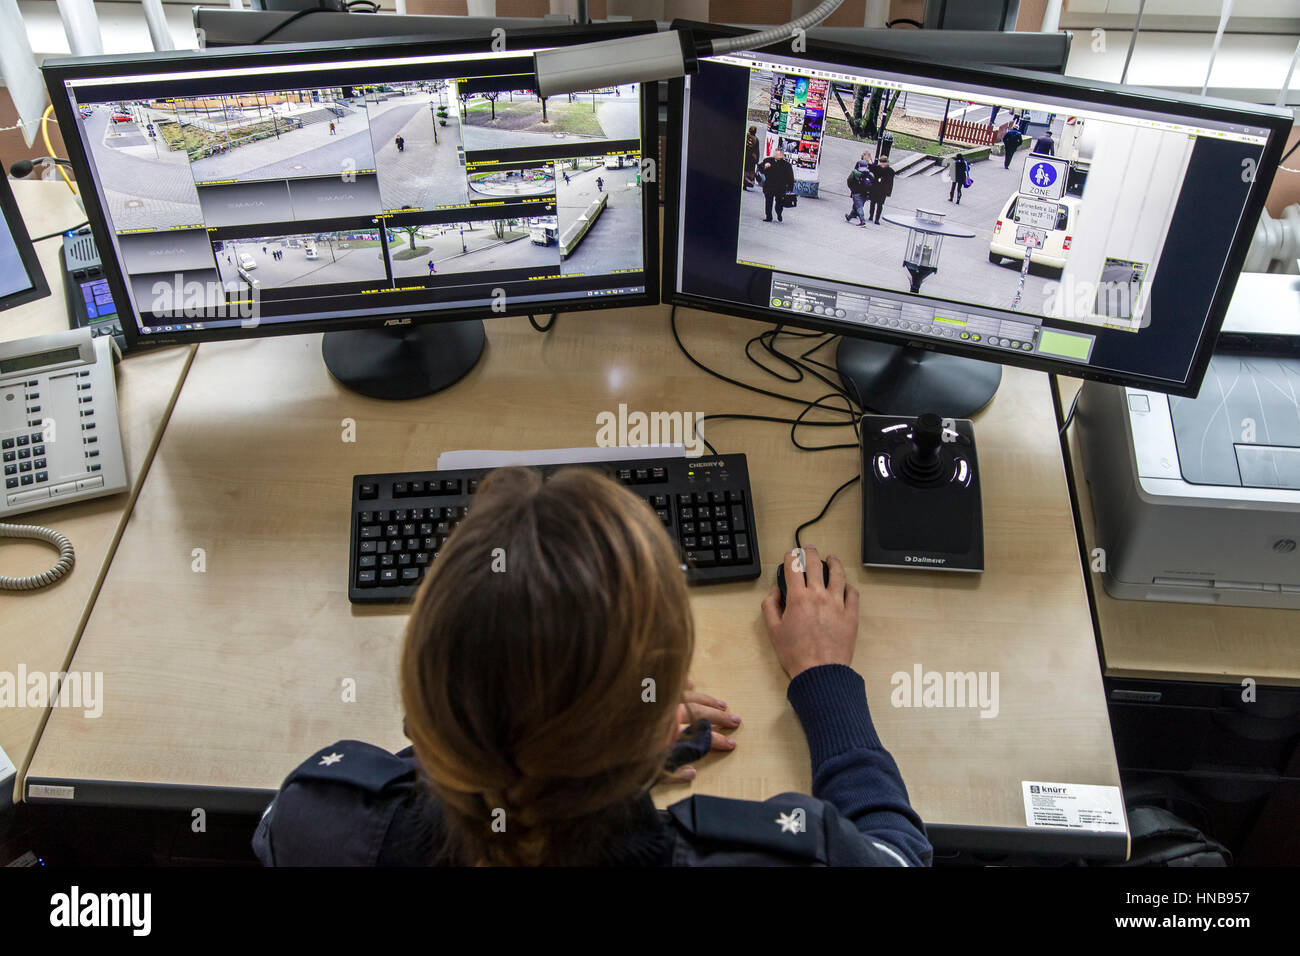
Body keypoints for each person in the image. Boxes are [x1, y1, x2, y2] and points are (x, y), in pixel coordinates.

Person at [252, 467, 931, 867]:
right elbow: (899, 853)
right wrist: (824, 678)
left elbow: (478, 761)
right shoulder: (779, 855)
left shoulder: (313, 819)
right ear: (667, 722)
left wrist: (564, 734)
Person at [757, 149, 795, 223]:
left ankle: (779, 213)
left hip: (780, 187)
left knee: (779, 203)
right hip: (769, 185)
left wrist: (790, 187)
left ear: (782, 155)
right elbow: (761, 169)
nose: (776, 155)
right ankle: (768, 217)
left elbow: (790, 177)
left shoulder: (786, 165)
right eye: (775, 154)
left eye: (778, 154)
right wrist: (764, 167)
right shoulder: (768, 160)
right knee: (768, 201)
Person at [845, 152, 874, 226]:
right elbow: (873, 181)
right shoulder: (869, 174)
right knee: (856, 206)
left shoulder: (855, 172)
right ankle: (849, 217)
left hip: (856, 192)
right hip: (865, 193)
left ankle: (862, 221)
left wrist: (852, 189)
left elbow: (849, 181)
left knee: (859, 207)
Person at [866, 154, 895, 225]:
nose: (883, 163)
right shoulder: (877, 168)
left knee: (880, 205)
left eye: (884, 162)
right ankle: (871, 216)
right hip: (875, 188)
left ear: (887, 162)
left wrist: (888, 192)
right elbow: (871, 169)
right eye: (881, 162)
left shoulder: (890, 171)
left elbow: (890, 183)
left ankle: (877, 219)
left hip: (883, 190)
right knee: (872, 203)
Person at [743, 125, 760, 189]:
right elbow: (757, 151)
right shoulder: (756, 139)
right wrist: (757, 160)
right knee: (749, 172)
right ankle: (746, 184)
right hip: (751, 159)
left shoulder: (746, 135)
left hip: (745, 156)